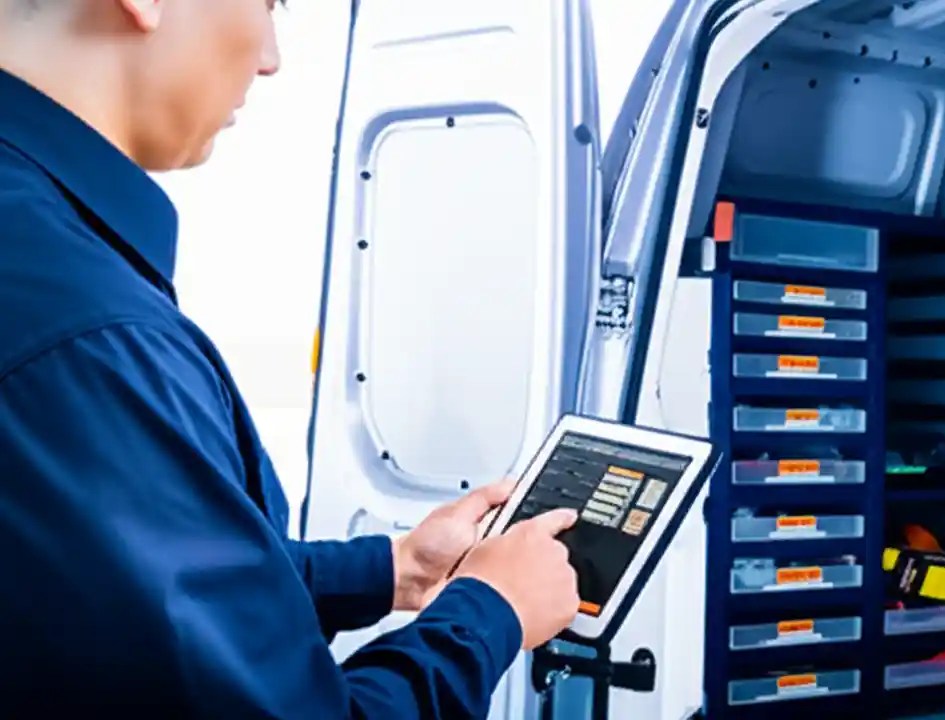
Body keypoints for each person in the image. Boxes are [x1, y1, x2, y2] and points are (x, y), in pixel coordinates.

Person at [0, 0, 582, 716]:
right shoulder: (91, 340)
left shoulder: (36, 257)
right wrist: (491, 612)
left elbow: (117, 595)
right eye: (271, 3)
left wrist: (394, 571)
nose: (271, 56)